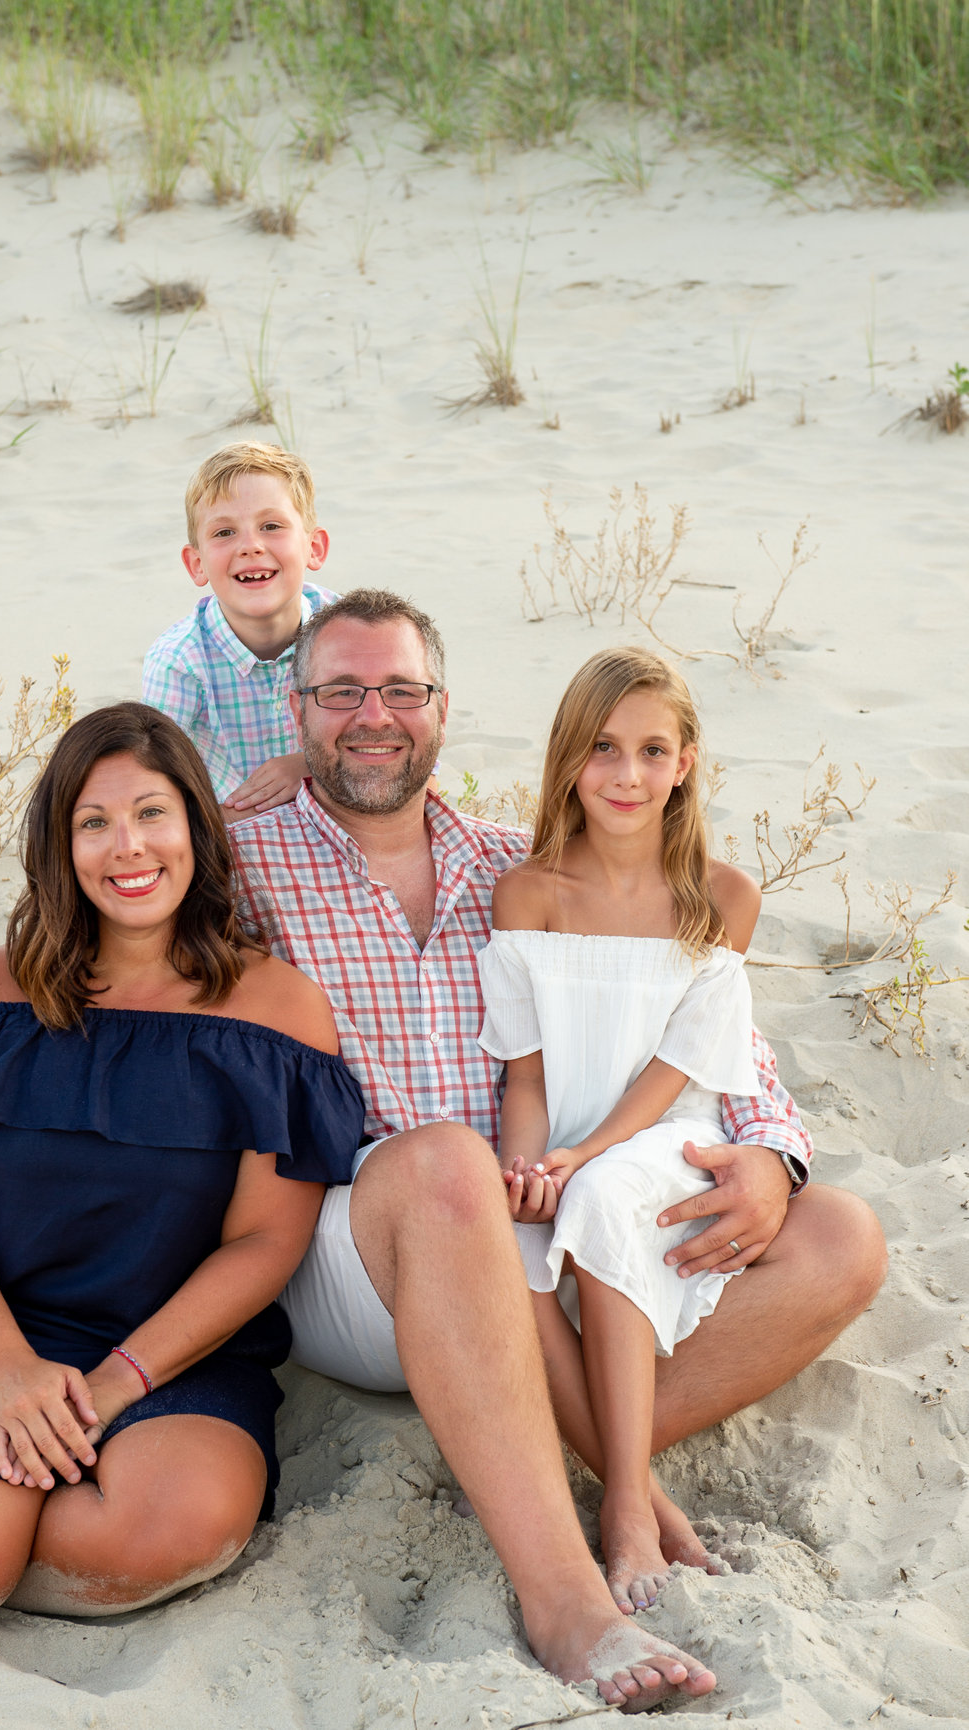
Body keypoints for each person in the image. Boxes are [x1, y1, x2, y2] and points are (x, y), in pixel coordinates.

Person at [232, 588, 887, 1708]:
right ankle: (571, 1594)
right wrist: (224, 789)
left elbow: (715, 1035)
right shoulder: (241, 857)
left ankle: (517, 1438)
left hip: (549, 1232)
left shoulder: (517, 865)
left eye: (399, 689)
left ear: (443, 708)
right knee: (448, 1167)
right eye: (339, 691)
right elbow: (120, 870)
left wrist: (772, 1163)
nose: (371, 714)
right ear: (294, 710)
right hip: (370, 1245)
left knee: (842, 1236)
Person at [0, 703, 364, 1630]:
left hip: (178, 1348)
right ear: (59, 845)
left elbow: (266, 1240)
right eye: (94, 822)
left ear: (194, 823)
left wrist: (115, 1382)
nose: (128, 848)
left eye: (152, 813)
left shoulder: (276, 1011)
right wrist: (10, 1373)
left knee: (160, 1535)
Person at [478, 646, 764, 1618]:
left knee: (599, 1199)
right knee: (499, 1248)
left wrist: (583, 1156)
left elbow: (676, 1068)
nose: (625, 774)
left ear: (684, 761)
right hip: (557, 1135)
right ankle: (641, 1480)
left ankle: (625, 1518)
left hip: (656, 1139)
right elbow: (524, 1073)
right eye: (601, 748)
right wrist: (526, 1159)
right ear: (567, 760)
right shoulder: (531, 895)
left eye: (651, 749)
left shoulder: (720, 898)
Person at [142, 441, 338, 823]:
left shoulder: (348, 631)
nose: (250, 546)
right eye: (224, 532)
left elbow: (408, 759)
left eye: (271, 526)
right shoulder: (178, 663)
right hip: (232, 841)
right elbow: (156, 793)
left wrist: (310, 765)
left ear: (313, 547)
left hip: (343, 830)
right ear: (196, 564)